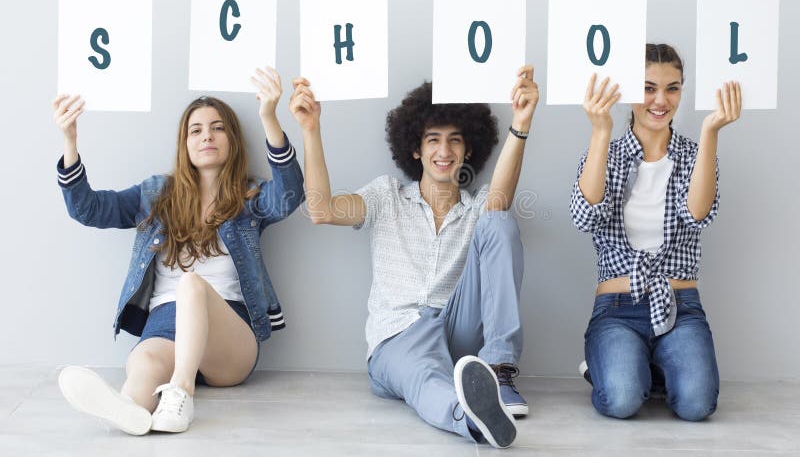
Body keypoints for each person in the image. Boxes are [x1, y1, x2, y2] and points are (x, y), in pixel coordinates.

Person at [288, 66, 539, 448]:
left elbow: (499, 205)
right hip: (400, 336)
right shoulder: (385, 195)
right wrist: (310, 128)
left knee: (499, 221)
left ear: (469, 149)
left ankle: (498, 370)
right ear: (416, 148)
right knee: (424, 377)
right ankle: (471, 418)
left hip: (458, 331)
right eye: (433, 139)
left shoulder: (476, 209)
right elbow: (322, 211)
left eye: (455, 141)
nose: (444, 151)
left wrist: (521, 123)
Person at [53, 67, 304, 435]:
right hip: (164, 324)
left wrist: (269, 116)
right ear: (184, 144)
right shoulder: (155, 195)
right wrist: (70, 140)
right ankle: (129, 408)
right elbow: (87, 209)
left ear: (232, 140)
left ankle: (181, 392)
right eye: (196, 130)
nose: (207, 136)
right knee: (143, 364)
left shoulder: (249, 197)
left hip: (229, 336)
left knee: (191, 284)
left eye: (218, 128)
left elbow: (290, 195)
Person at [571, 44, 741, 421]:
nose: (660, 100)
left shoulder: (694, 154)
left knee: (697, 405)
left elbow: (697, 216)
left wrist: (711, 132)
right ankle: (619, 370)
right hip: (617, 308)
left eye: (672, 88)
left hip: (681, 306)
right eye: (648, 88)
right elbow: (584, 217)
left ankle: (649, 371)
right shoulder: (608, 153)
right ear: (630, 92)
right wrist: (600, 131)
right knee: (621, 400)